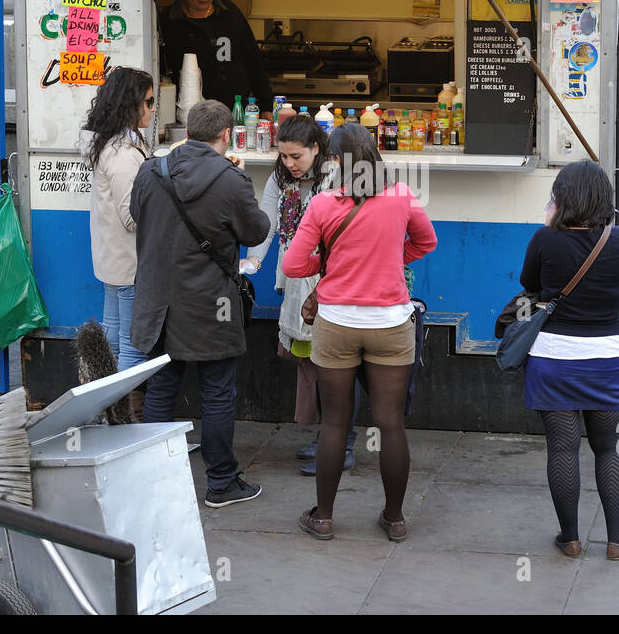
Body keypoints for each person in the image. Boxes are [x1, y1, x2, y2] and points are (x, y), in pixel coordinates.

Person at [283, 124, 437, 542]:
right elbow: (427, 242)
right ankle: (395, 518)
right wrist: (391, 257)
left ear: (334, 161)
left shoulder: (322, 204)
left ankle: (325, 517)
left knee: (335, 423)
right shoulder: (402, 196)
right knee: (391, 424)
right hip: (390, 325)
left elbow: (294, 266)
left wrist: (331, 265)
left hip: (336, 326)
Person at [130, 98, 271, 508]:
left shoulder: (150, 170)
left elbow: (139, 217)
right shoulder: (231, 180)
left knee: (160, 390)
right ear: (226, 135)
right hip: (210, 306)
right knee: (216, 395)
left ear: (187, 132)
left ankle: (150, 481)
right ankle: (222, 484)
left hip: (157, 303)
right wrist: (242, 185)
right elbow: (256, 231)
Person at [521, 161, 619, 561]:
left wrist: (550, 225)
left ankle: (571, 538)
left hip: (554, 357)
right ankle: (617, 539)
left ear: (562, 198)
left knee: (562, 448)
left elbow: (530, 286)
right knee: (609, 448)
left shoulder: (544, 239)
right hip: (606, 357)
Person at [242, 115, 360, 476]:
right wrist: (255, 259)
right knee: (314, 362)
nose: (290, 164)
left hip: (332, 284)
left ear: (316, 149)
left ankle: (345, 444)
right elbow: (267, 223)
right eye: (284, 157)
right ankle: (330, 436)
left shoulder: (337, 179)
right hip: (296, 282)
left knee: (336, 365)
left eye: (297, 157)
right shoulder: (281, 179)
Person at [82, 66, 154, 373]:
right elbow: (130, 216)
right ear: (132, 105)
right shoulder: (124, 153)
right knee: (132, 347)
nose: (152, 109)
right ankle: (122, 412)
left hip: (114, 261)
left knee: (111, 339)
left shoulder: (110, 143)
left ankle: (106, 407)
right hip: (130, 264)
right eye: (149, 102)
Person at [158, 0, 273, 111]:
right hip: (193, 111)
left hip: (236, 107)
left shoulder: (230, 12)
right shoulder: (169, 21)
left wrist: (266, 104)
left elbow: (253, 60)